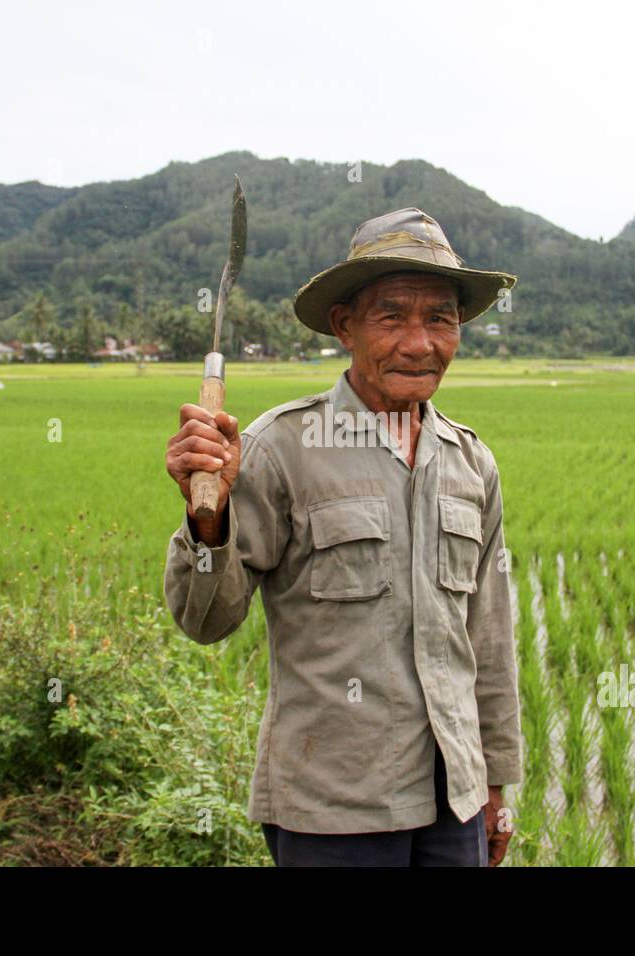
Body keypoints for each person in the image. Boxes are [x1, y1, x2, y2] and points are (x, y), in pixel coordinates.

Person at [163, 207, 522, 866]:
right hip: (333, 808)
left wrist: (496, 784)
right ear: (344, 325)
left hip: (455, 802)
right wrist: (207, 517)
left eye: (439, 318)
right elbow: (205, 619)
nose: (419, 342)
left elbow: (489, 640)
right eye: (392, 316)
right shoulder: (281, 448)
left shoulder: (473, 462)